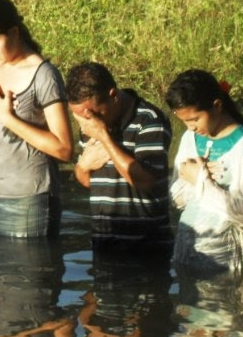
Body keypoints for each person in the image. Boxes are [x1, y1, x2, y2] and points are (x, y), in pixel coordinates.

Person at [0, 0, 73, 237]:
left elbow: (64, 149)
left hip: (31, 199)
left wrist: (8, 118)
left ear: (14, 32)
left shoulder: (45, 76)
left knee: (30, 262)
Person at [64, 62, 174, 255]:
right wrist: (82, 168)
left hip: (146, 248)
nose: (86, 123)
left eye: (92, 114)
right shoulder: (89, 124)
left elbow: (146, 183)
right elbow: (92, 182)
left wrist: (104, 137)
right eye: (79, 117)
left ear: (113, 95)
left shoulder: (149, 120)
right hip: (103, 243)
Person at [166, 69, 243, 275]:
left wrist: (201, 181)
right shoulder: (190, 138)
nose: (190, 127)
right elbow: (175, 198)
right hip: (187, 250)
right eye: (184, 121)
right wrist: (191, 180)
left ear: (217, 106)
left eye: (195, 119)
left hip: (225, 259)